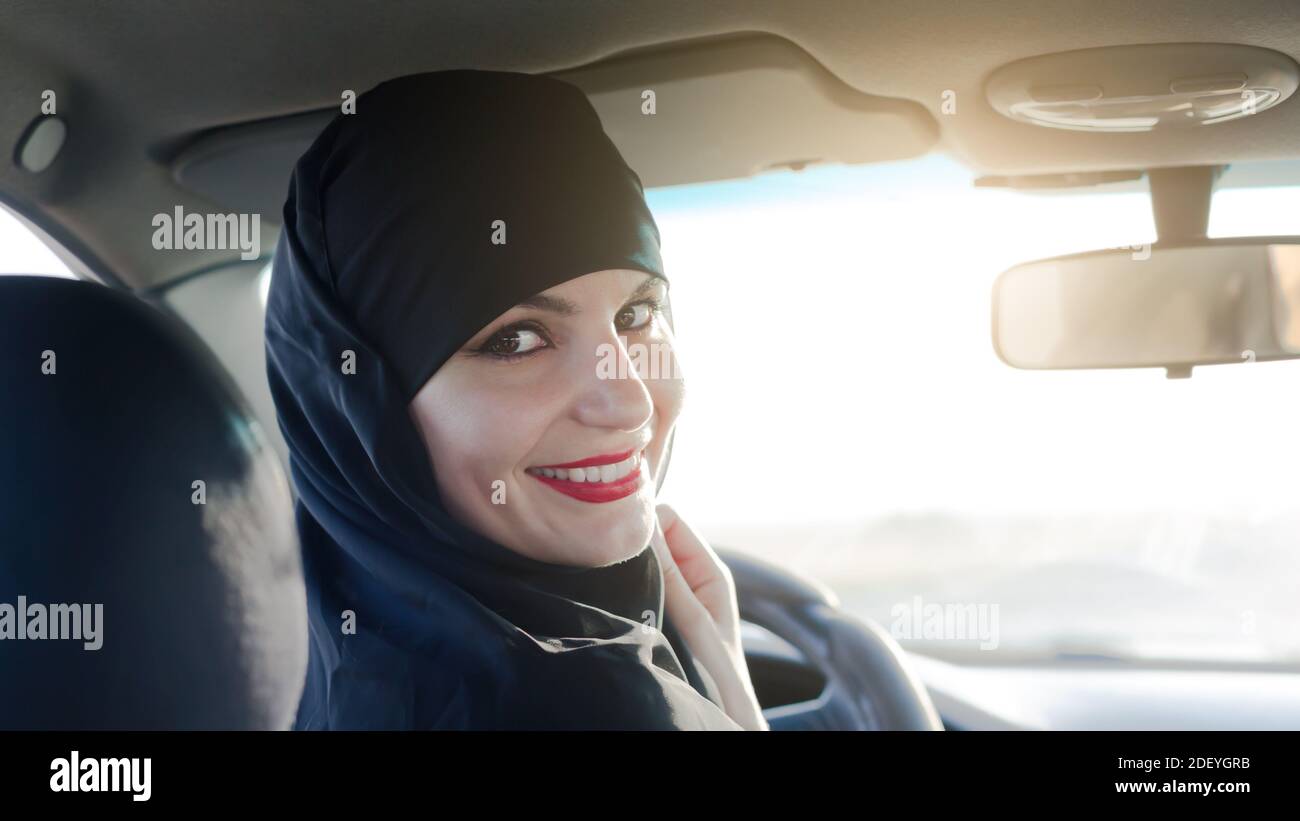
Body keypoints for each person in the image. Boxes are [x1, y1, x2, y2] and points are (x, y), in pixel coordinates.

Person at [265, 69, 766, 730]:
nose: (631, 402)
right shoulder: (604, 709)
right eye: (518, 339)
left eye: (638, 313)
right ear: (359, 405)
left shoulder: (293, 652)